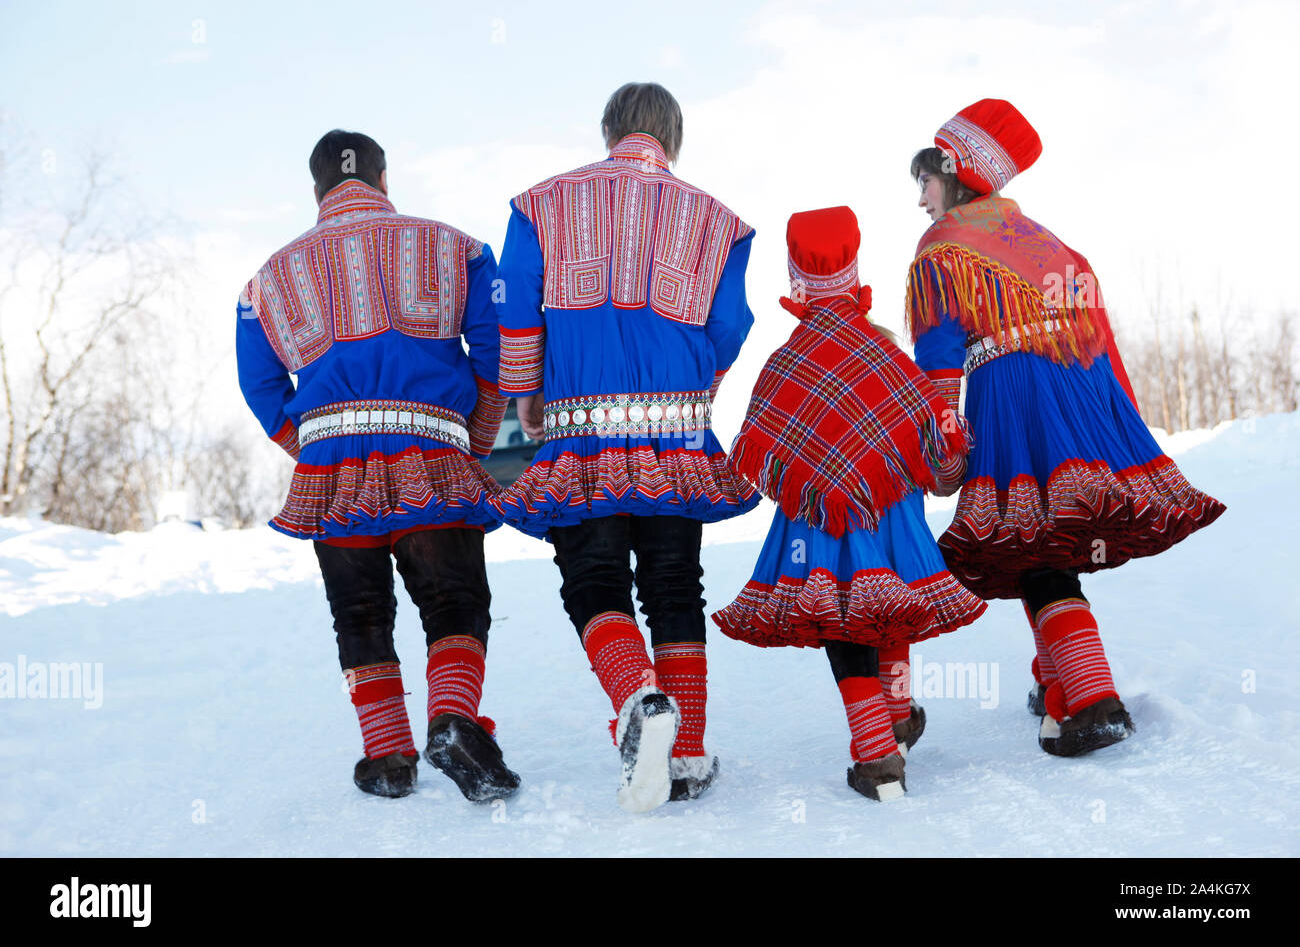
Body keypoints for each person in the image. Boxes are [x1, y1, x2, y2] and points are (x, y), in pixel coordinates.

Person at [905, 99, 1226, 756]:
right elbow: (1102, 345)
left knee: (1031, 539)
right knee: (1045, 539)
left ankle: (1094, 699)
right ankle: (1056, 684)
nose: (921, 201)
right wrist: (1124, 425)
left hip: (1015, 396)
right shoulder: (1059, 246)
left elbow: (938, 358)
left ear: (958, 170)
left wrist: (942, 446)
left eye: (926, 182)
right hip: (1083, 393)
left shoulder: (946, 243)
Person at [493, 83, 759, 811]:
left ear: (608, 131)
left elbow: (516, 304)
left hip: (576, 428)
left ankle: (639, 701)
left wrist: (523, 418)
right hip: (674, 428)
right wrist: (693, 385)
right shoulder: (719, 221)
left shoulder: (538, 204)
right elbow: (730, 325)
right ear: (673, 139)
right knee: (675, 583)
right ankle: (691, 752)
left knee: (593, 580)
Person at [236, 129, 520, 800]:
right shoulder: (461, 249)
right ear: (384, 178)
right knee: (455, 599)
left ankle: (387, 757)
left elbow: (261, 386)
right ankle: (452, 720)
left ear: (316, 191)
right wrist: (475, 440)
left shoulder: (264, 282)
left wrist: (312, 451)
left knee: (358, 612)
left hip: (334, 469)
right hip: (431, 450)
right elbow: (496, 347)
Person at [713, 206, 986, 800]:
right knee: (887, 605)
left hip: (818, 534)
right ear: (854, 265)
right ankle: (894, 719)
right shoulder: (891, 359)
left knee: (841, 621)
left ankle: (877, 757)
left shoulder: (785, 365)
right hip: (893, 525)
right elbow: (940, 454)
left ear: (795, 276)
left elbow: (755, 456)